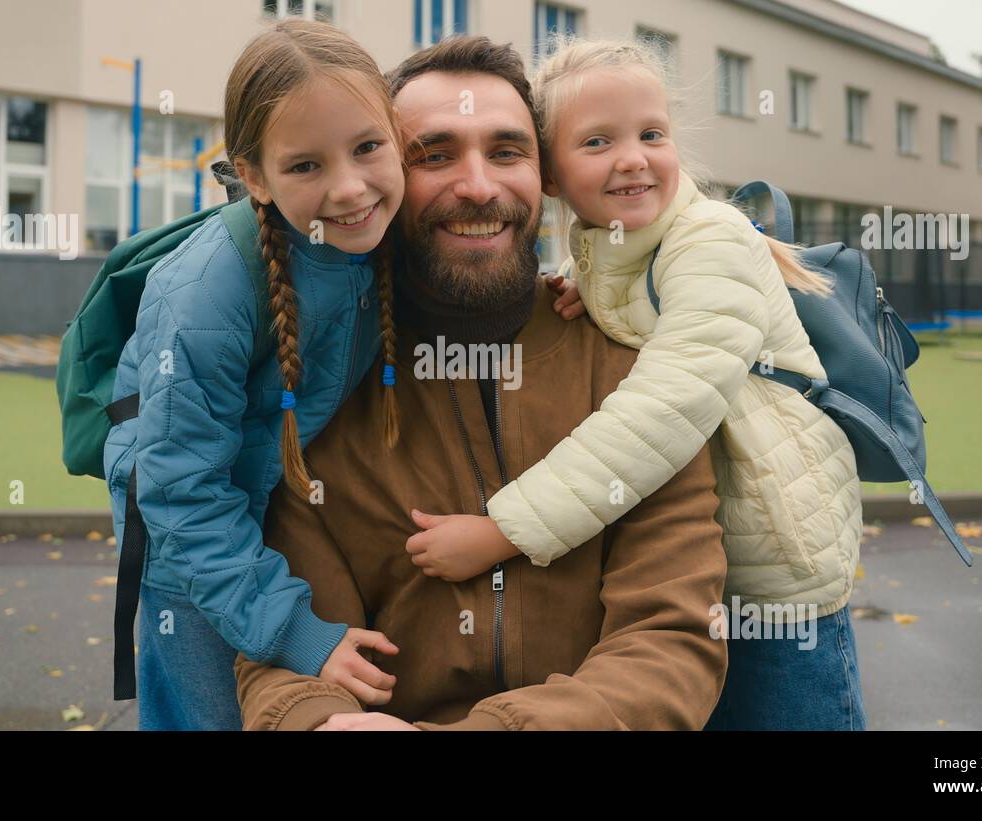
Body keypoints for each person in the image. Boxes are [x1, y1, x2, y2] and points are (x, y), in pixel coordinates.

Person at [234, 35, 728, 731]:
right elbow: (285, 641)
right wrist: (319, 720)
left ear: (546, 174)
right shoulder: (318, 389)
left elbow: (673, 640)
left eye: (506, 152)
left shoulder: (637, 368)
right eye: (434, 155)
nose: (477, 185)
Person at [408, 37, 866, 730]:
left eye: (651, 133)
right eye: (598, 141)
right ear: (552, 176)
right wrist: (581, 291)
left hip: (774, 578)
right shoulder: (602, 250)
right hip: (705, 566)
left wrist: (505, 529)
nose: (632, 156)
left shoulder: (711, 241)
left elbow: (664, 409)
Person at [104, 19, 409, 730]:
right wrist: (296, 631)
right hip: (181, 539)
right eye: (306, 166)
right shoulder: (205, 294)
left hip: (261, 499)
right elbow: (181, 492)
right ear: (253, 177)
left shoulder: (386, 231)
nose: (350, 188)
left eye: (367, 147)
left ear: (397, 135)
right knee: (207, 714)